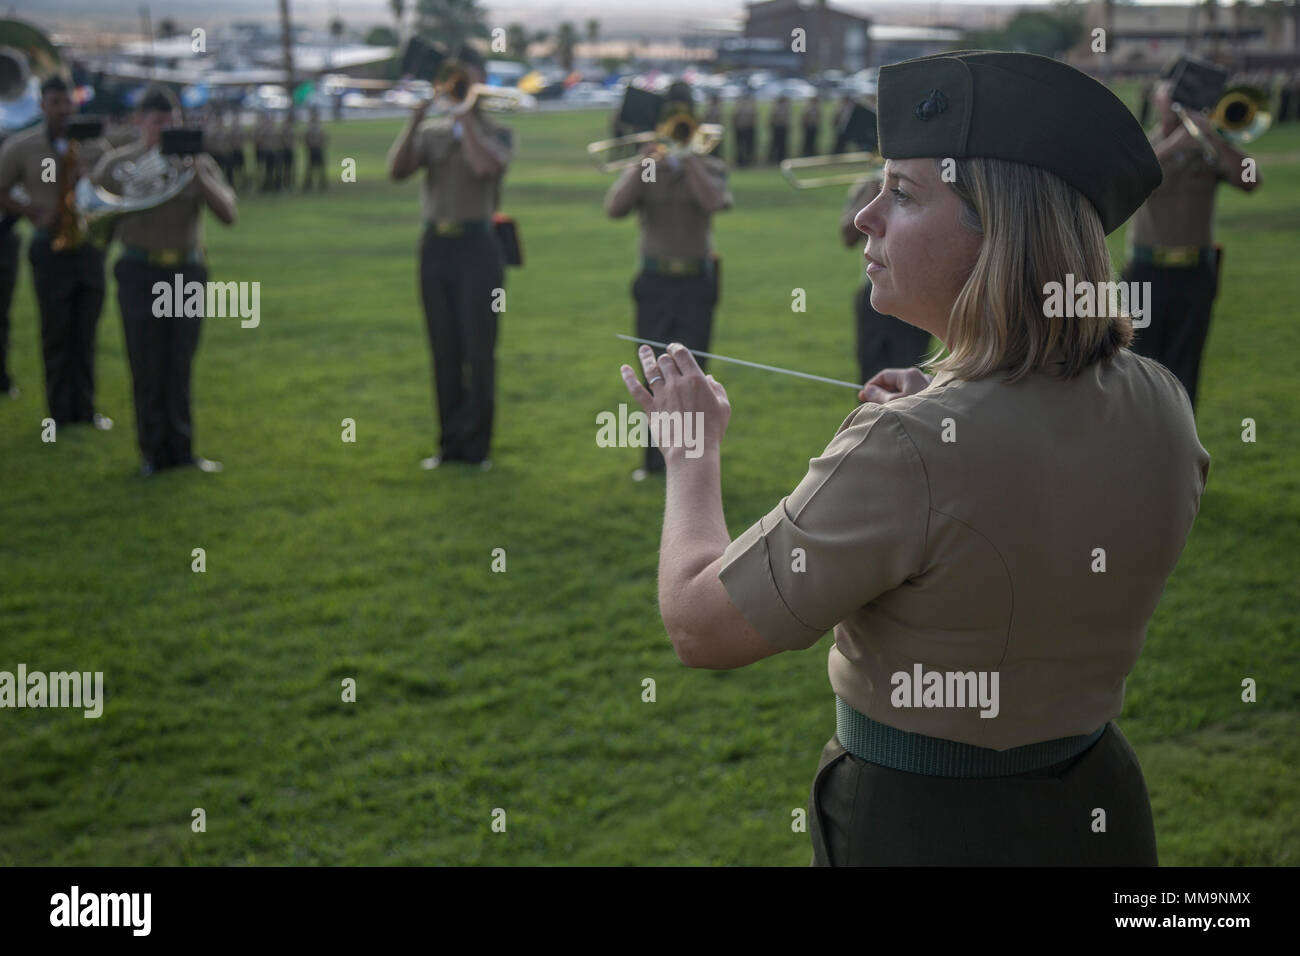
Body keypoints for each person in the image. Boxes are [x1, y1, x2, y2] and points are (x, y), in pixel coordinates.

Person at [619, 51, 1210, 866]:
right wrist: (945, 388)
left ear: (997, 230)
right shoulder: (1162, 399)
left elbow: (699, 626)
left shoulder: (909, 445)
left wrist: (690, 452)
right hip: (1099, 808)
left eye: (902, 195)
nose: (865, 218)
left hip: (925, 827)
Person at [92, 86, 237, 476]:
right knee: (146, 362)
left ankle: (183, 450)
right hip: (140, 270)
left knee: (179, 362)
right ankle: (152, 452)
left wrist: (197, 174)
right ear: (141, 122)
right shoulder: (119, 163)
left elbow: (228, 214)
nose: (167, 127)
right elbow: (93, 218)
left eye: (172, 121)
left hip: (186, 271)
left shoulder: (197, 160)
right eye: (158, 121)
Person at [387, 44, 512, 471]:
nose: (461, 85)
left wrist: (465, 118)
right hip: (435, 246)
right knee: (443, 348)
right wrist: (415, 120)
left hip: (479, 246)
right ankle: (448, 444)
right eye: (457, 78)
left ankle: (477, 447)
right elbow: (397, 171)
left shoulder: (497, 132)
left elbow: (483, 167)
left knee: (479, 349)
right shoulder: (433, 133)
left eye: (469, 78)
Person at [606, 81, 731, 481]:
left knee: (693, 374)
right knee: (654, 374)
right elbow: (614, 208)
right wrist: (640, 163)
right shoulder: (649, 168)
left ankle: (692, 463)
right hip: (655, 281)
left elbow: (715, 202)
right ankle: (654, 462)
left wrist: (688, 158)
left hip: (696, 281)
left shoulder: (710, 166)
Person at [1122, 57, 1261, 413]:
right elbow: (1123, 184)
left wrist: (1213, 138)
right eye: (1171, 96)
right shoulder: (1142, 147)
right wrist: (1173, 146)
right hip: (1146, 272)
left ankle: (1181, 455)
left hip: (1195, 273)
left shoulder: (1210, 151)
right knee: (1137, 373)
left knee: (1185, 374)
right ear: (1156, 99)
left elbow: (1251, 181)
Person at [0, 75, 112, 430]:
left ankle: (86, 408)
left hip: (88, 247)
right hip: (48, 246)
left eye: (68, 102)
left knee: (86, 330)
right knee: (56, 330)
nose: (64, 109)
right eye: (56, 103)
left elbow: (114, 187)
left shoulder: (94, 144)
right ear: (42, 106)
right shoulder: (22, 146)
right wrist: (33, 212)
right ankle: (60, 411)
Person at [840, 177, 931, 382]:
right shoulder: (867, 183)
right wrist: (874, 188)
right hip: (874, 292)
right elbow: (848, 235)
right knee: (871, 376)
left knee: (909, 373)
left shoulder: (922, 179)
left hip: (915, 292)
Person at [302, 108, 328, 191]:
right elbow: (305, 139)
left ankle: (322, 183)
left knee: (320, 167)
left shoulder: (319, 128)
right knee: (310, 167)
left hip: (319, 149)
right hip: (312, 149)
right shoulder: (309, 129)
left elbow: (324, 138)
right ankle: (308, 183)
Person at [732, 91, 756, 168]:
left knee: (748, 146)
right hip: (740, 129)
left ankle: (747, 161)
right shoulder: (739, 108)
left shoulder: (749, 108)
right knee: (740, 146)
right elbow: (734, 119)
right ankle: (741, 161)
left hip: (747, 129)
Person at [767, 94, 790, 165]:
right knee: (776, 143)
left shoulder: (785, 108)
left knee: (782, 143)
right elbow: (772, 118)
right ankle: (774, 158)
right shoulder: (777, 108)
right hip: (777, 127)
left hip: (782, 127)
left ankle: (781, 157)